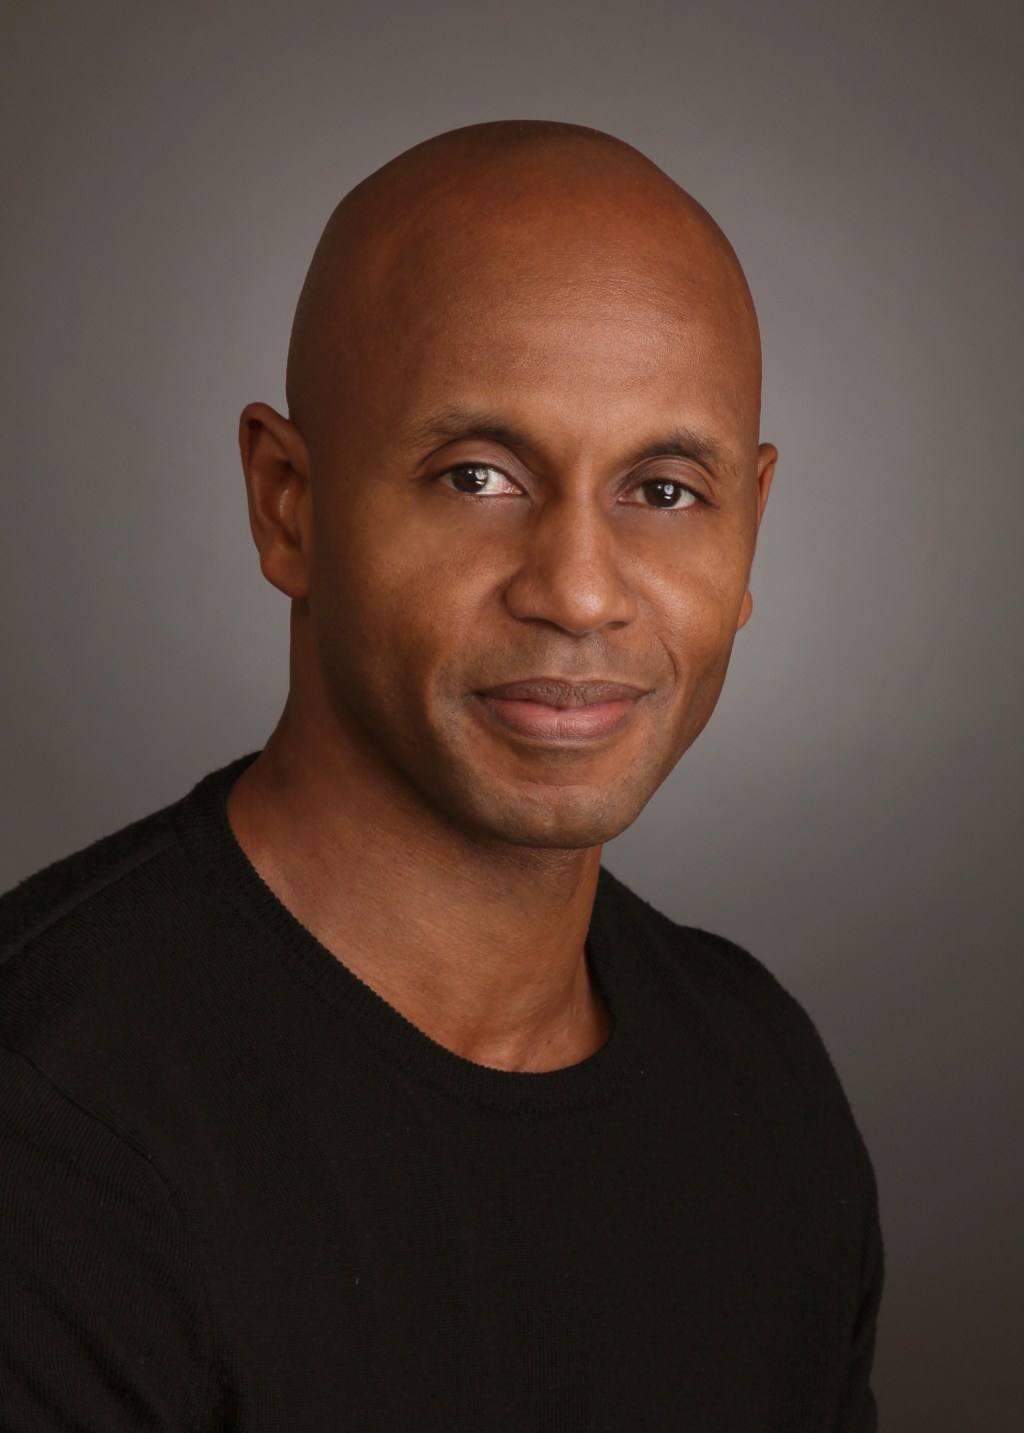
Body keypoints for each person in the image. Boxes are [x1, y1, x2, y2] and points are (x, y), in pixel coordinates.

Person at [0, 121, 882, 1430]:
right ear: (287, 503)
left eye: (663, 490)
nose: (579, 590)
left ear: (751, 523)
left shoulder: (764, 1080)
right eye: (478, 476)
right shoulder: (49, 1135)